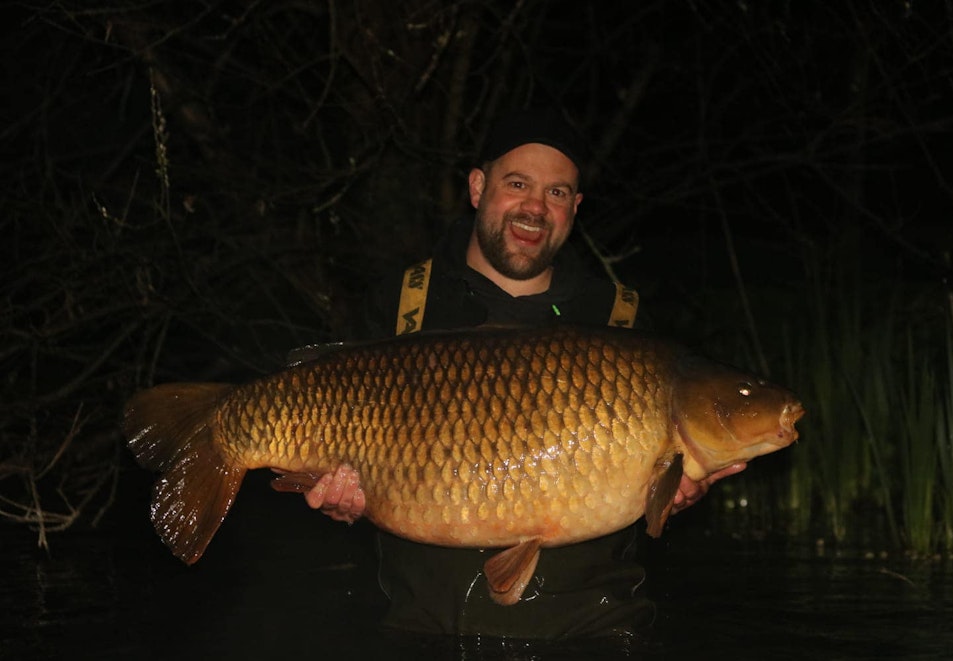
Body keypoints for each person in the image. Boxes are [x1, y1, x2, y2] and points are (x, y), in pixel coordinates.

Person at [300, 109, 744, 639]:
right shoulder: (405, 304)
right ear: (477, 186)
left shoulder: (619, 320)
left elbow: (648, 501)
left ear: (575, 209)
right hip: (424, 635)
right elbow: (352, 477)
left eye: (557, 193)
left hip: (591, 634)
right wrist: (342, 501)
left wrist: (674, 494)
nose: (535, 207)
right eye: (517, 184)